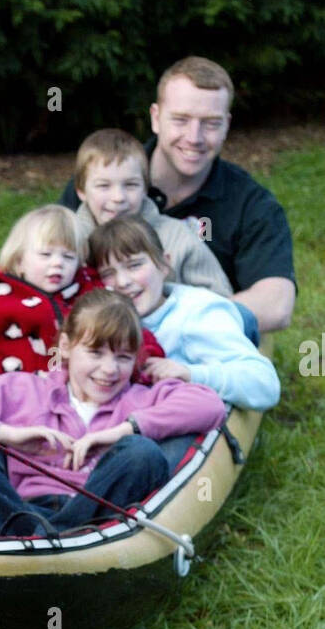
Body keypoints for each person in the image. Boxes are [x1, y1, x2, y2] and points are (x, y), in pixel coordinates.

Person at [0, 289, 226, 538]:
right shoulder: (26, 389)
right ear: (66, 346)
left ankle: (54, 539)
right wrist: (9, 434)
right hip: (18, 512)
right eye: (95, 353)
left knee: (142, 453)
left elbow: (210, 405)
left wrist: (122, 431)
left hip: (94, 516)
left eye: (123, 357)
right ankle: (36, 538)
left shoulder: (140, 397)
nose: (109, 369)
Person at [60, 57, 296, 333]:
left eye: (210, 123)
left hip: (205, 340)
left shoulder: (252, 204)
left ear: (226, 125)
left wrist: (178, 326)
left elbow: (276, 306)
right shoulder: (106, 179)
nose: (194, 137)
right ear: (156, 117)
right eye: (181, 120)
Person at [0, 203, 162, 389]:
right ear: (19, 259)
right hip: (13, 404)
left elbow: (130, 331)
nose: (57, 263)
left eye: (68, 256)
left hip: (87, 398)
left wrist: (149, 359)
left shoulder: (93, 295)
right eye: (45, 254)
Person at [86, 218, 281, 412]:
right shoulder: (102, 318)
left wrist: (190, 373)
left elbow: (265, 384)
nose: (122, 281)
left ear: (164, 265)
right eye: (107, 274)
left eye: (134, 265)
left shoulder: (196, 316)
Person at [72, 128, 238, 303]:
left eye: (130, 185)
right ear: (81, 191)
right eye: (104, 186)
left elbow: (220, 300)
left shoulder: (179, 238)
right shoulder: (68, 242)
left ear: (145, 188)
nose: (118, 197)